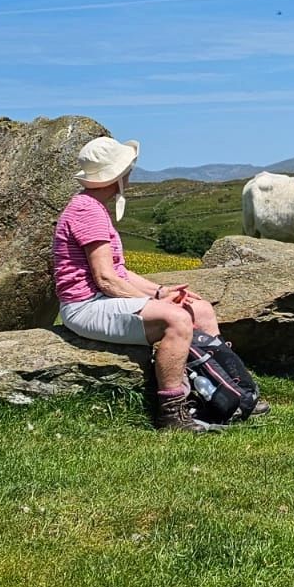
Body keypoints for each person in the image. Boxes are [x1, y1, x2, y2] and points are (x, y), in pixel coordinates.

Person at [52, 135, 220, 432]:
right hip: (84, 306)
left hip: (101, 301)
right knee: (177, 320)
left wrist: (161, 292)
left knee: (200, 309)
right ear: (115, 177)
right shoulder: (87, 211)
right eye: (126, 169)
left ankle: (224, 390)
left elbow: (120, 272)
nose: (130, 175)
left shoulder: (92, 207)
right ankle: (172, 413)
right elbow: (105, 279)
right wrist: (158, 304)